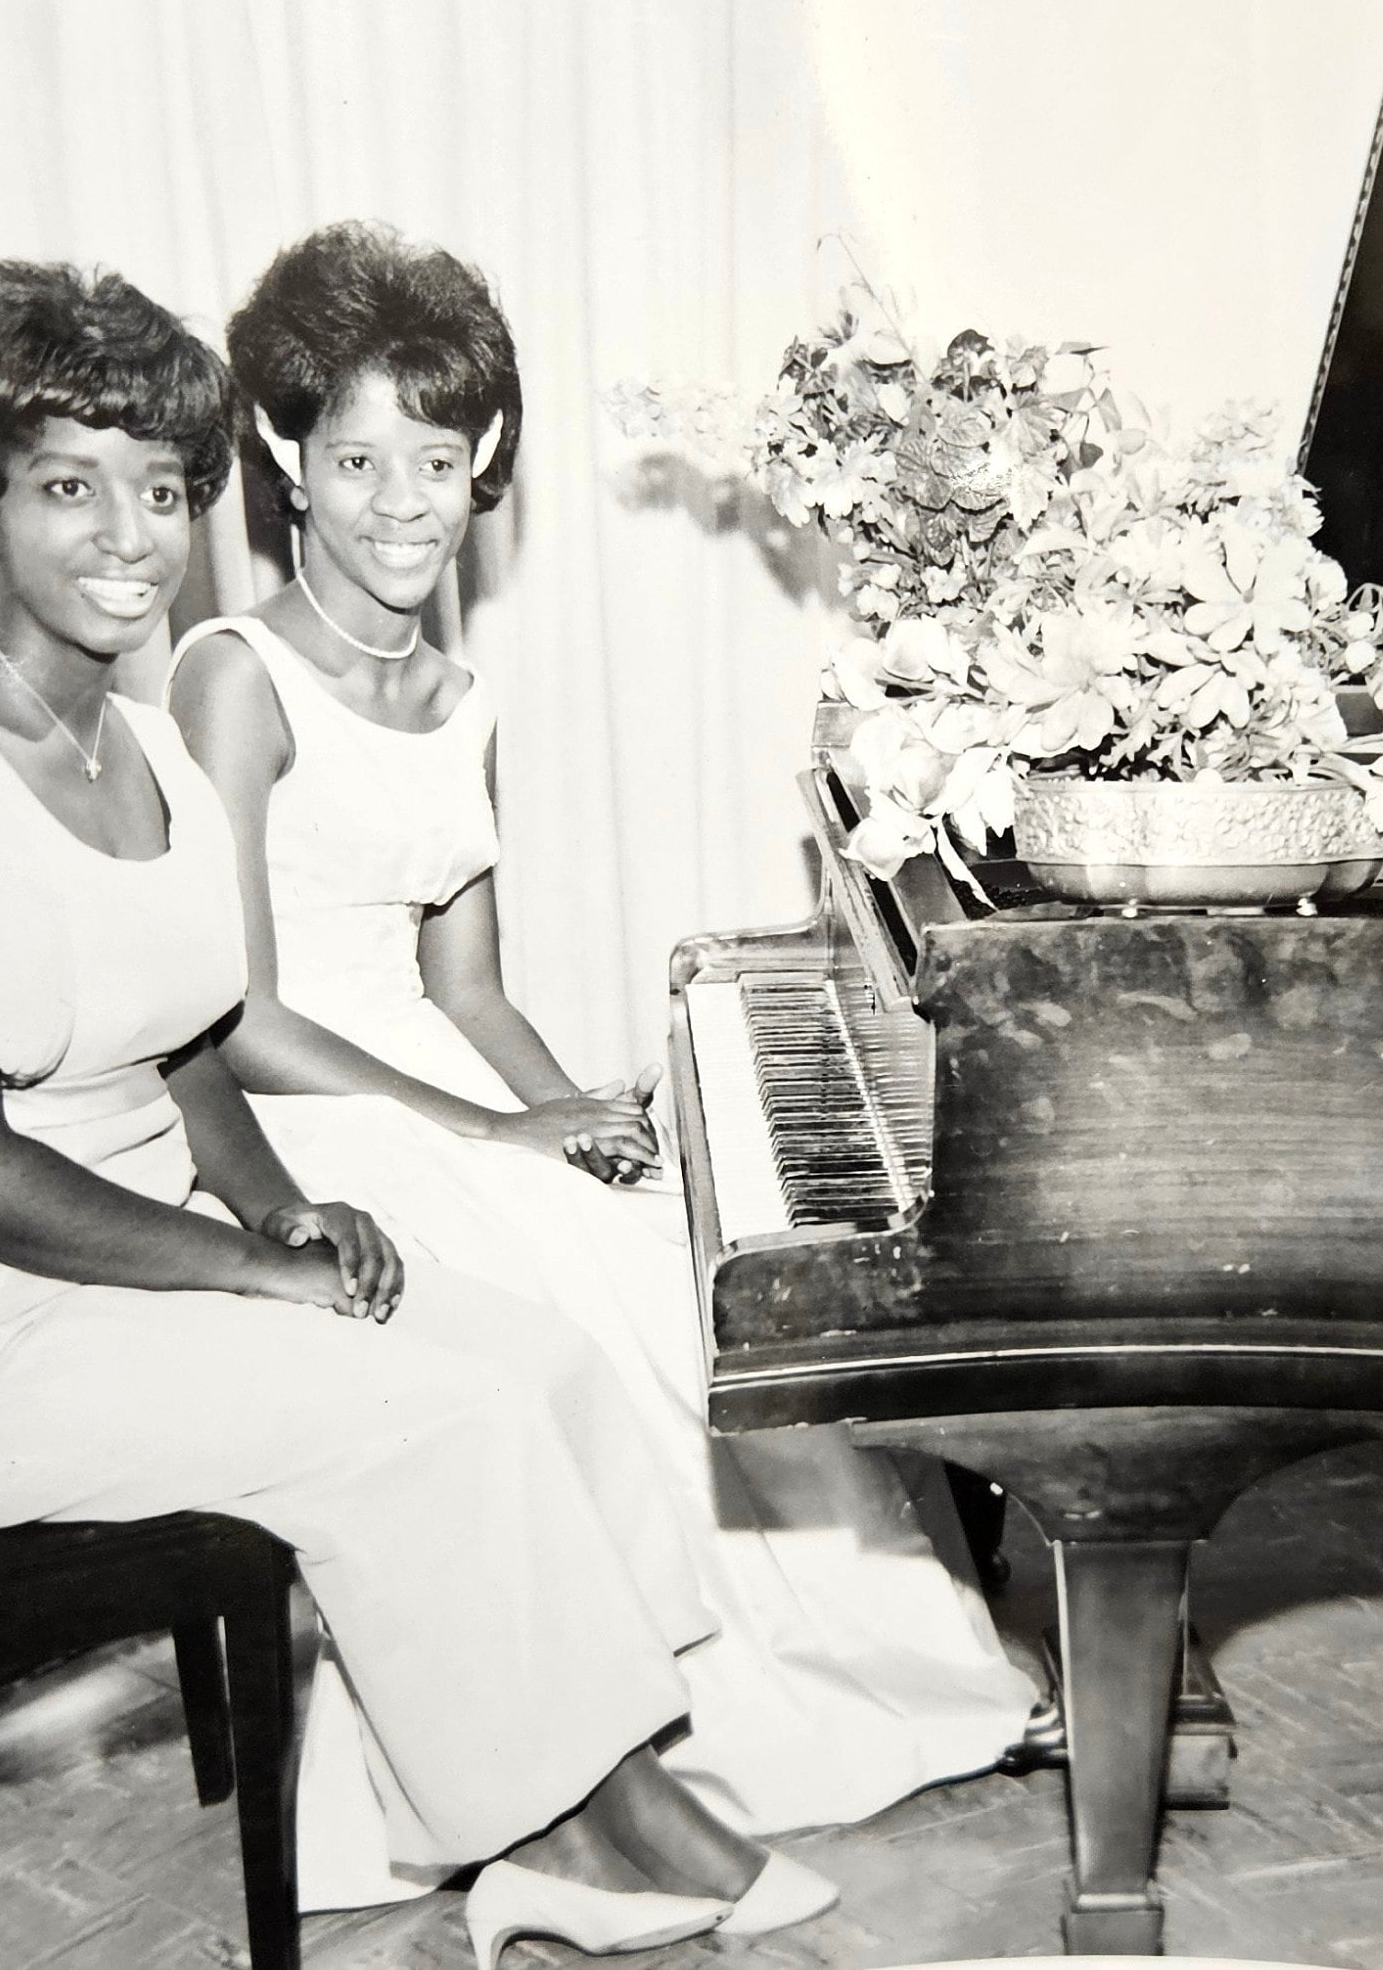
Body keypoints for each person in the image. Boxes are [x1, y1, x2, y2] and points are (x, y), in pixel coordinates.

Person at [0, 257, 836, 1963]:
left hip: (138, 1264)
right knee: (437, 1422)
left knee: (541, 1360)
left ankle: (581, 1779)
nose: (130, 534)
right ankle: (577, 1820)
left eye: (162, 490)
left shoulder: (133, 746)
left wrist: (276, 1211)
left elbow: (198, 1048)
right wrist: (256, 1274)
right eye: (67, 486)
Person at [165, 222, 1036, 1908]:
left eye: (437, 458)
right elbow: (236, 1011)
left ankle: (830, 1703)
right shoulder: (236, 676)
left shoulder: (464, 695)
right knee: (556, 1323)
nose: (402, 504)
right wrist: (494, 1138)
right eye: (355, 460)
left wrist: (577, 1122)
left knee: (686, 1265)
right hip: (288, 1116)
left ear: (485, 456)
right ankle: (590, 1770)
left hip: (428, 1075)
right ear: (283, 456)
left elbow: (473, 984)